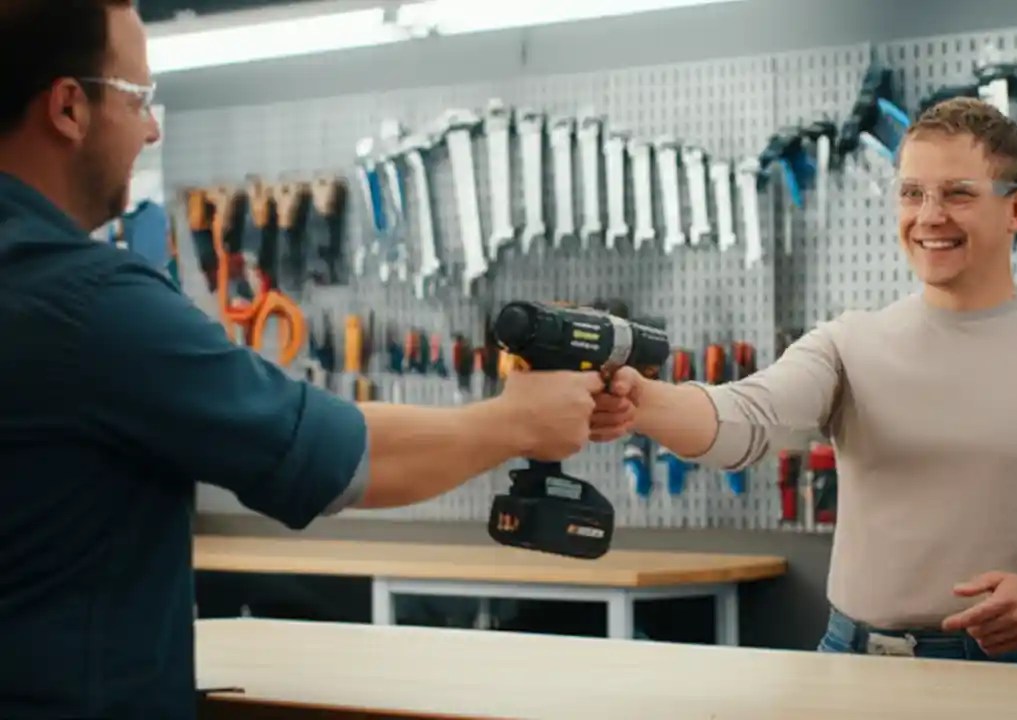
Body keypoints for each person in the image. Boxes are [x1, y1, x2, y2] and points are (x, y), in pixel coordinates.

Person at [0, 2, 614, 718]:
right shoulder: (90, 304)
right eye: (140, 98)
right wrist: (517, 421)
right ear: (69, 107)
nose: (154, 128)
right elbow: (339, 458)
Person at [592, 97, 1017, 665]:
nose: (929, 216)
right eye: (912, 193)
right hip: (856, 665)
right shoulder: (850, 343)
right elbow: (747, 421)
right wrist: (641, 400)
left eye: (958, 194)